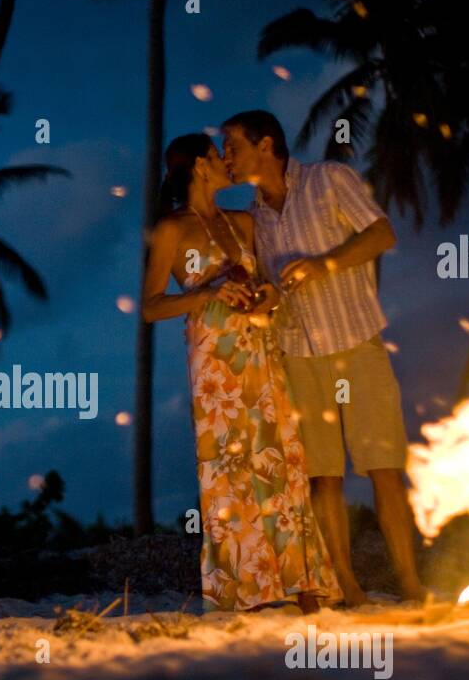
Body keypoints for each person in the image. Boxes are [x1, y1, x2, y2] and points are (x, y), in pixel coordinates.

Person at [221, 109, 431, 607]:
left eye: (232, 145)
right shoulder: (255, 217)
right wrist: (268, 297)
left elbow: (381, 234)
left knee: (384, 466)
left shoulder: (328, 179)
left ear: (266, 144)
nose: (226, 156)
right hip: (299, 351)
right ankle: (351, 589)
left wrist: (325, 263)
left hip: (356, 340)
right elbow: (276, 286)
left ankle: (411, 583)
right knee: (324, 476)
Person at [141, 133, 342, 614]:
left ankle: (304, 582)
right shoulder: (171, 230)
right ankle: (243, 588)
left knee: (282, 458)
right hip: (214, 363)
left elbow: (267, 282)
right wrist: (208, 292)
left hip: (260, 349)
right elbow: (151, 307)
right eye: (216, 155)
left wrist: (270, 295)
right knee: (229, 468)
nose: (225, 160)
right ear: (197, 168)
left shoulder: (242, 223)